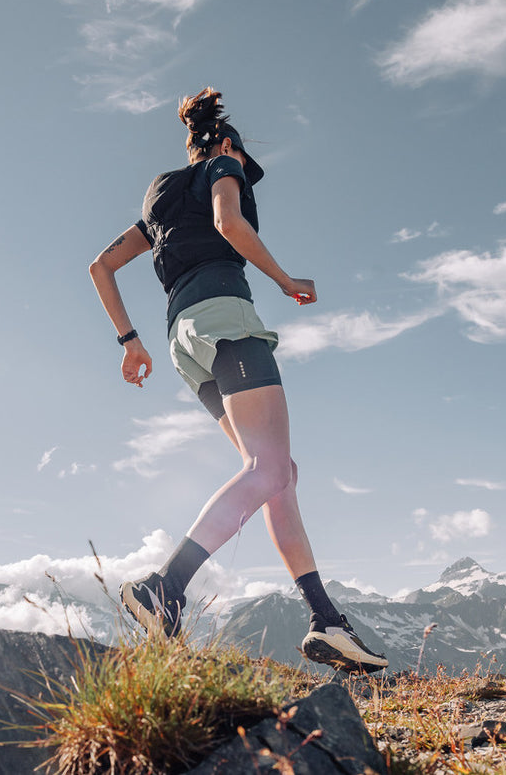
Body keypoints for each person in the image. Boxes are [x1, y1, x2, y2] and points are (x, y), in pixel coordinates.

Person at [89, 87, 387, 673]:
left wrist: (130, 342)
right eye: (244, 170)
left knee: (278, 473)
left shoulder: (159, 194)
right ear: (225, 146)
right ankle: (164, 587)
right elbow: (227, 220)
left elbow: (99, 265)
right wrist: (282, 279)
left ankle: (326, 621)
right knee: (272, 469)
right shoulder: (222, 165)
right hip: (225, 314)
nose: (245, 179)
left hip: (183, 339)